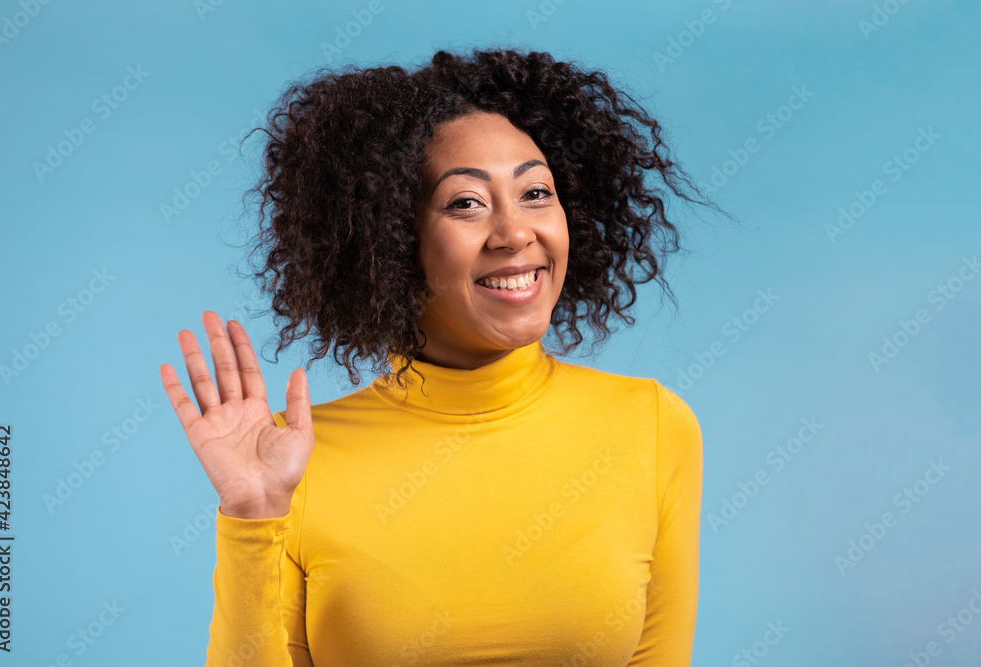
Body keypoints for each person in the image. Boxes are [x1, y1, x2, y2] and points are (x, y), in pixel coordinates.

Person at [159, 47, 719, 666]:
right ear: (392, 241)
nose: (514, 233)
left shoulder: (653, 427)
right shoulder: (293, 461)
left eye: (536, 192)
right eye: (465, 204)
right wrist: (253, 515)